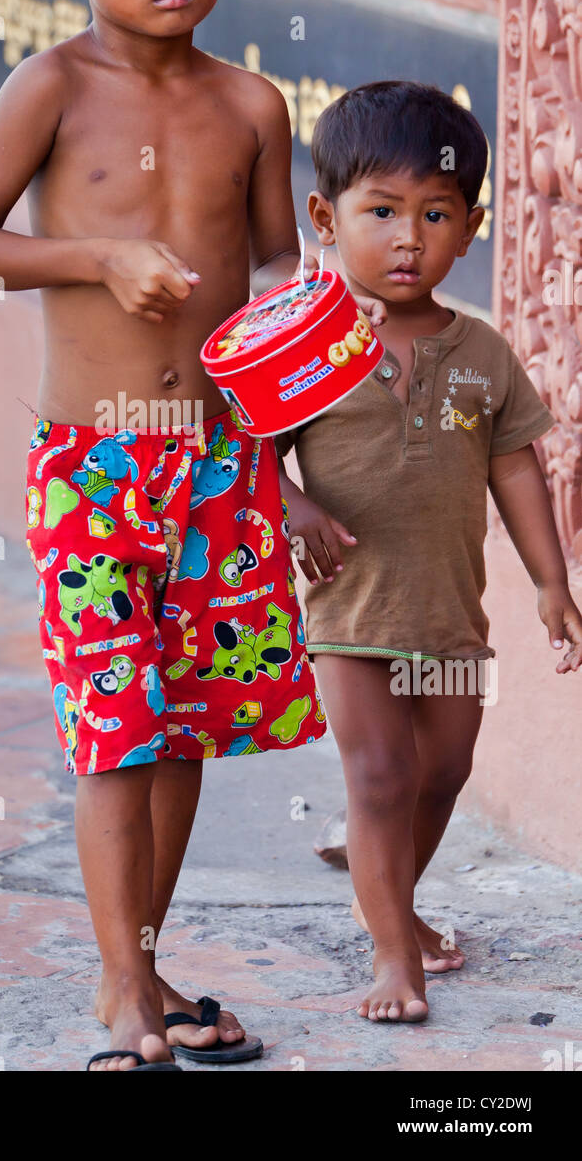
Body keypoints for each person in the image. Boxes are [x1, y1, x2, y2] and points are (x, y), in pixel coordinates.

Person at [0, 0, 384, 1069]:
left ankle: (136, 968)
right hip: (95, 472)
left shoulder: (250, 109)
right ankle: (126, 995)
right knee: (112, 731)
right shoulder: (50, 87)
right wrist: (94, 258)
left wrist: (285, 478)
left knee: (187, 729)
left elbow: (274, 322)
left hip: (224, 476)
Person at [275, 80, 582, 1024]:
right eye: (381, 212)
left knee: (442, 772)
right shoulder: (307, 339)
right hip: (350, 611)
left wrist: (551, 583)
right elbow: (247, 447)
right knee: (380, 778)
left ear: (472, 225)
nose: (408, 238)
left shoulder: (483, 353)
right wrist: (289, 504)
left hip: (451, 615)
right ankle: (391, 953)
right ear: (327, 217)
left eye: (435, 214)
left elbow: (518, 468)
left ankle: (399, 903)